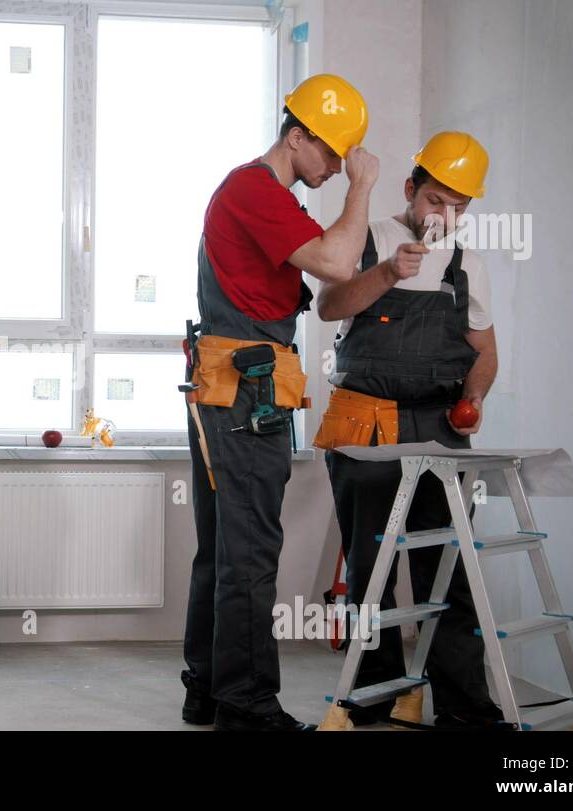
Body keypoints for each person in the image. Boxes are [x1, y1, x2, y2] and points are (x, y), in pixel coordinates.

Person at [181, 74, 379, 731]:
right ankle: (247, 704)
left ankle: (207, 688)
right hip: (245, 392)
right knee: (251, 551)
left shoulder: (265, 198)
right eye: (329, 153)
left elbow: (322, 278)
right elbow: (339, 263)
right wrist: (364, 186)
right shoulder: (254, 190)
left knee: (224, 546)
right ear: (296, 136)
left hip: (231, 385)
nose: (334, 167)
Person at [313, 131, 506, 728]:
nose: (444, 216)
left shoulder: (468, 264)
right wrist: (390, 274)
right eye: (435, 200)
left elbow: (485, 351)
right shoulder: (369, 239)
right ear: (409, 189)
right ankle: (372, 698)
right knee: (371, 569)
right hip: (366, 424)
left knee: (448, 569)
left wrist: (471, 400)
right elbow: (329, 305)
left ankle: (465, 710)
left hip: (440, 431)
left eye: (458, 206)